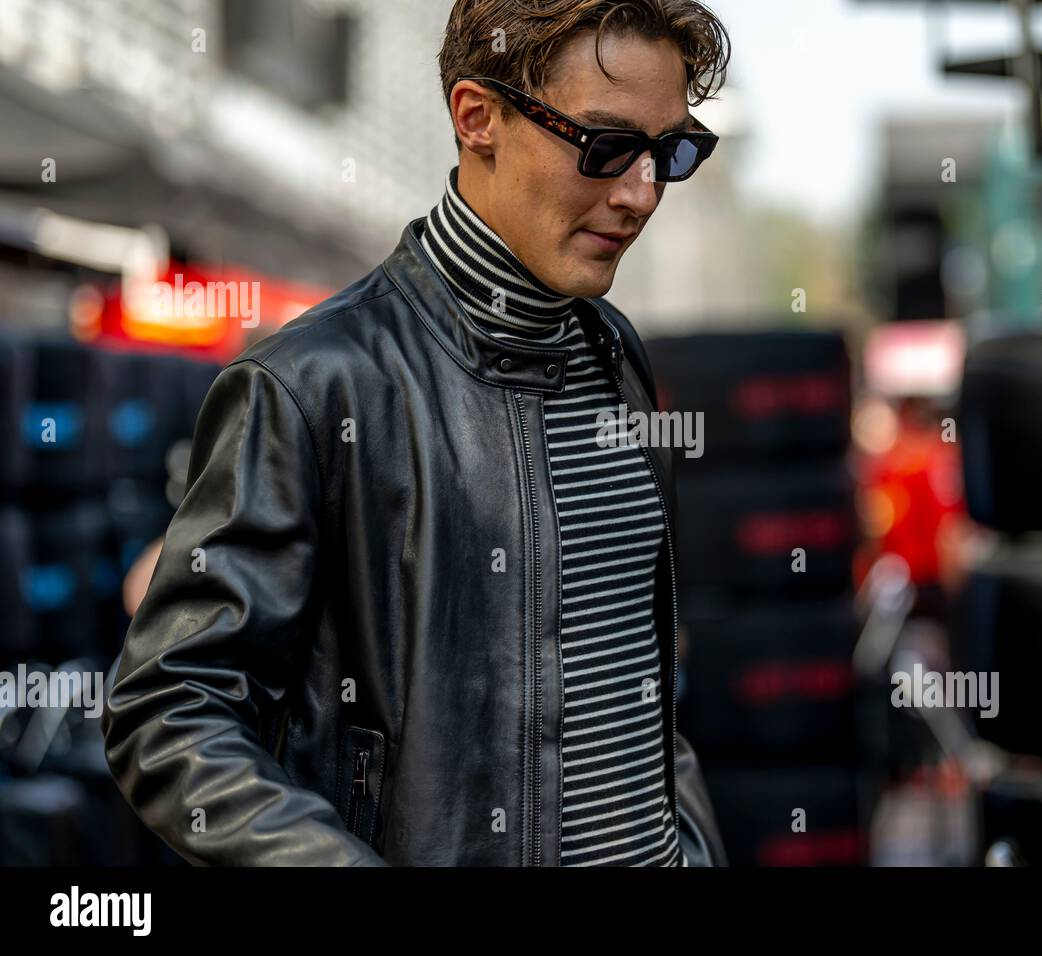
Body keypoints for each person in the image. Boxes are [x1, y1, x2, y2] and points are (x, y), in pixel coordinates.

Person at [101, 0, 731, 867]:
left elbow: (638, 676)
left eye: (672, 152)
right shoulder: (311, 383)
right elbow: (165, 709)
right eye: (606, 147)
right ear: (478, 118)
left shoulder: (614, 354)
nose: (641, 191)